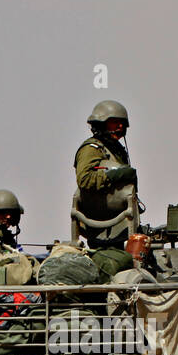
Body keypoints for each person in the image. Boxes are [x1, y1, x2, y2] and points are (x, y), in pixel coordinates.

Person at [73, 100, 138, 250]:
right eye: (114, 122)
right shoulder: (91, 149)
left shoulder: (116, 150)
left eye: (122, 123)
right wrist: (116, 174)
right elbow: (85, 179)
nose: (120, 127)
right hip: (100, 226)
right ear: (101, 123)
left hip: (121, 222)